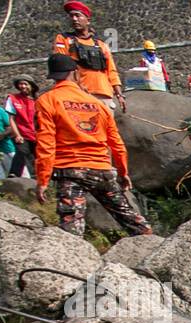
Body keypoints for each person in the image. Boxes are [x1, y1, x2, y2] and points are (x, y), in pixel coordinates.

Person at [34, 53, 152, 238]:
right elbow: (116, 143)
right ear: (75, 73)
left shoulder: (47, 101)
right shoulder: (98, 104)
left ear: (53, 76)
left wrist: (43, 179)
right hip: (102, 169)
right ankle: (153, 245)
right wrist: (123, 173)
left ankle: (75, 263)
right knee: (130, 218)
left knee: (71, 229)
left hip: (70, 170)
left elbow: (46, 143)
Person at [52, 1, 124, 113]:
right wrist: (76, 87)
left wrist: (119, 94)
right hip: (78, 94)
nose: (74, 19)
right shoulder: (64, 39)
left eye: (78, 15)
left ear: (88, 20)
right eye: (71, 16)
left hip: (104, 94)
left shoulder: (101, 44)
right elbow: (61, 66)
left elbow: (112, 70)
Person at [3, 76, 39, 178]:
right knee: (21, 152)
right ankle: (14, 174)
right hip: (22, 133)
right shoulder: (13, 99)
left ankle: (40, 177)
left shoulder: (37, 100)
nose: (23, 86)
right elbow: (12, 119)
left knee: (37, 157)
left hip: (36, 134)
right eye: (21, 84)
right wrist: (17, 134)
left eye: (25, 84)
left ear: (31, 86)